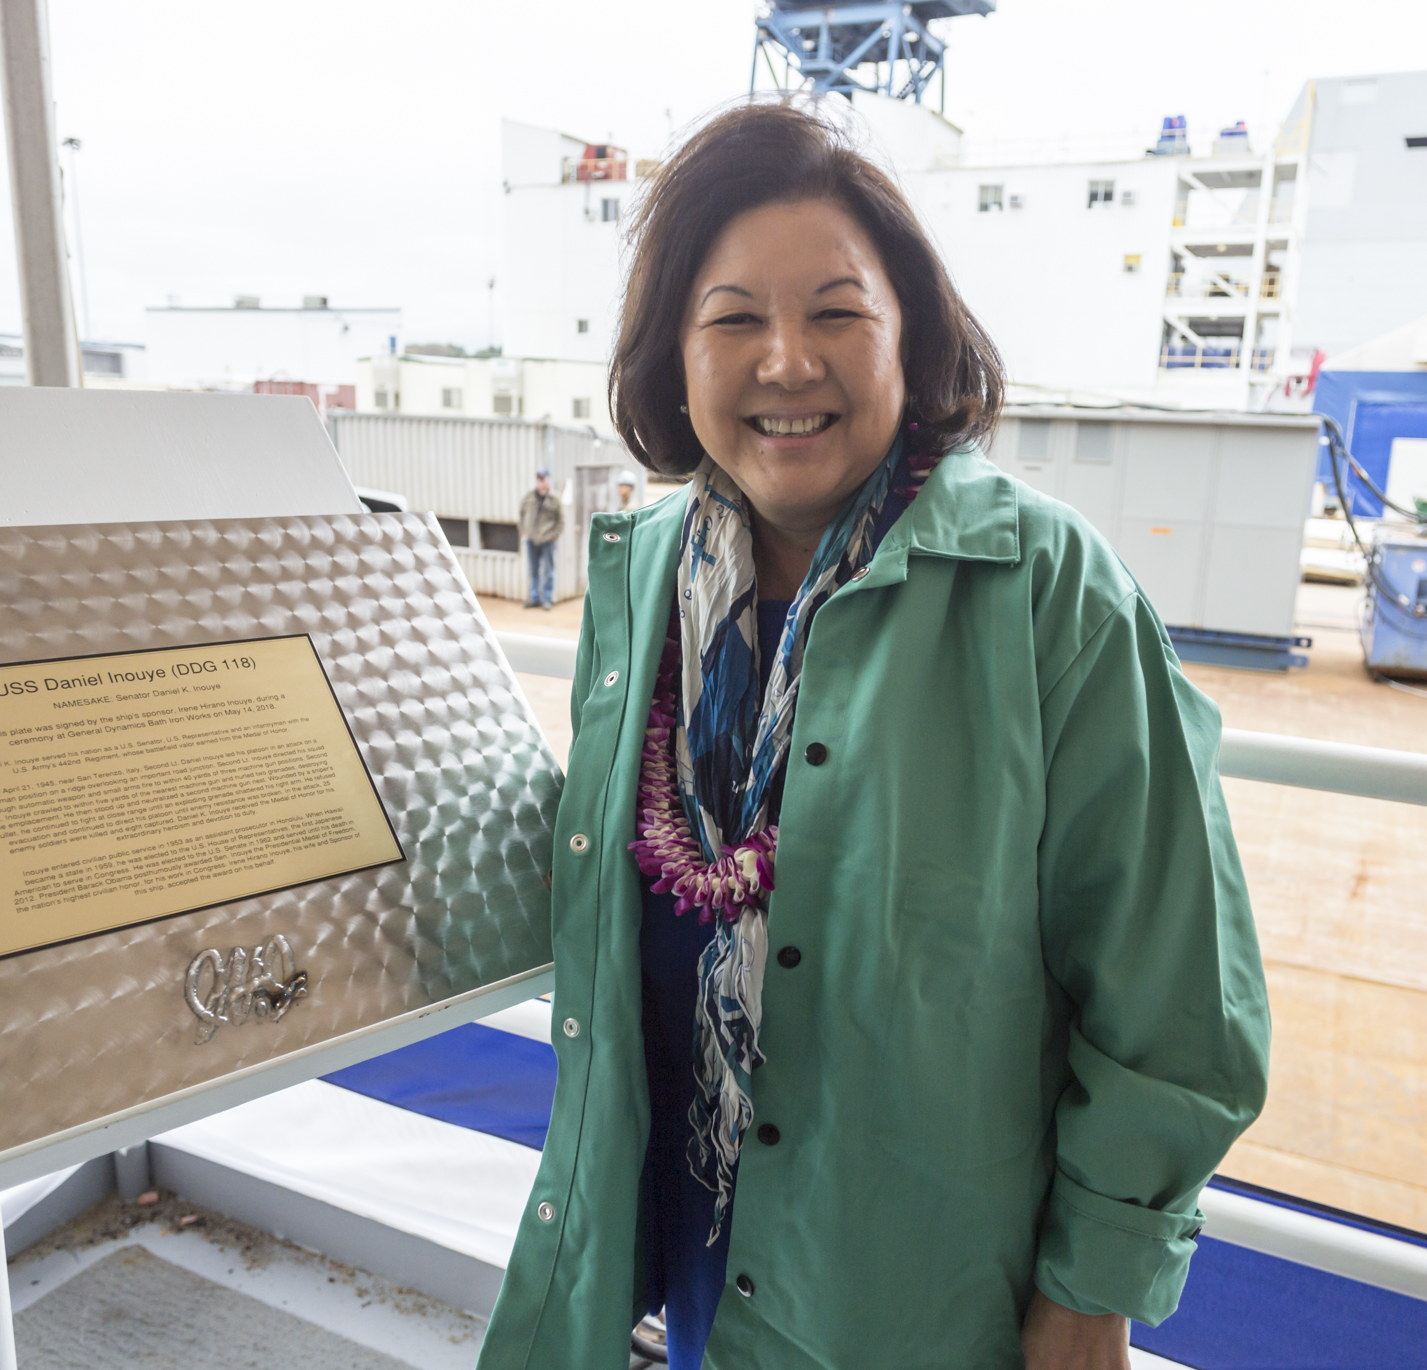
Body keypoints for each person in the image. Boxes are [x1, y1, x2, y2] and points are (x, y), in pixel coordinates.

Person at [478, 102, 1268, 1370]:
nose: (788, 362)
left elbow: (1174, 985)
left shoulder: (1047, 589)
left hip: (911, 1297)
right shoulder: (645, 578)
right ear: (673, 356)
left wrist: (1092, 1289)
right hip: (687, 1255)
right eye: (734, 318)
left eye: (837, 313)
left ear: (912, 340)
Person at [519, 467, 563, 610]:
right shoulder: (529, 497)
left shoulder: (554, 499)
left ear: (549, 480)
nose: (541, 482)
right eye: (539, 479)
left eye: (543, 479)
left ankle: (547, 599)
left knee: (548, 570)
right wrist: (524, 532)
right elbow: (521, 515)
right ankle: (534, 598)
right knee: (533, 570)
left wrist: (553, 536)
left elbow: (560, 521)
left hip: (547, 540)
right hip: (531, 540)